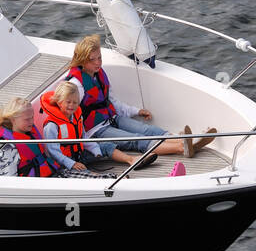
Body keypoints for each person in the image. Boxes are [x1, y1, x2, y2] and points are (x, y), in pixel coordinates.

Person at [63, 35, 216, 164]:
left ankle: (189, 142)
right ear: (82, 61)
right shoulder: (77, 85)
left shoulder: (98, 74)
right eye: (92, 60)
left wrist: (136, 111)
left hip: (111, 117)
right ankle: (183, 147)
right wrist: (88, 143)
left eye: (99, 57)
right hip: (96, 130)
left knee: (148, 130)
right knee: (136, 139)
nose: (98, 62)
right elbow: (71, 117)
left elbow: (112, 102)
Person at [35, 83, 112, 178]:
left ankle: (131, 159)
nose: (72, 105)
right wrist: (72, 163)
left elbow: (83, 137)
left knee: (106, 146)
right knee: (85, 174)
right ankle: (109, 179)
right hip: (63, 164)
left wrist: (95, 149)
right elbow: (53, 152)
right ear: (59, 102)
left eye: (75, 102)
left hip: (78, 154)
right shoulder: (51, 126)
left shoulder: (77, 116)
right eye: (68, 102)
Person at [0, 97, 60, 177]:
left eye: (32, 117)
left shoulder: (29, 130)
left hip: (51, 174)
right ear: (13, 120)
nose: (31, 121)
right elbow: (8, 178)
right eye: (27, 119)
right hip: (33, 184)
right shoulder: (6, 145)